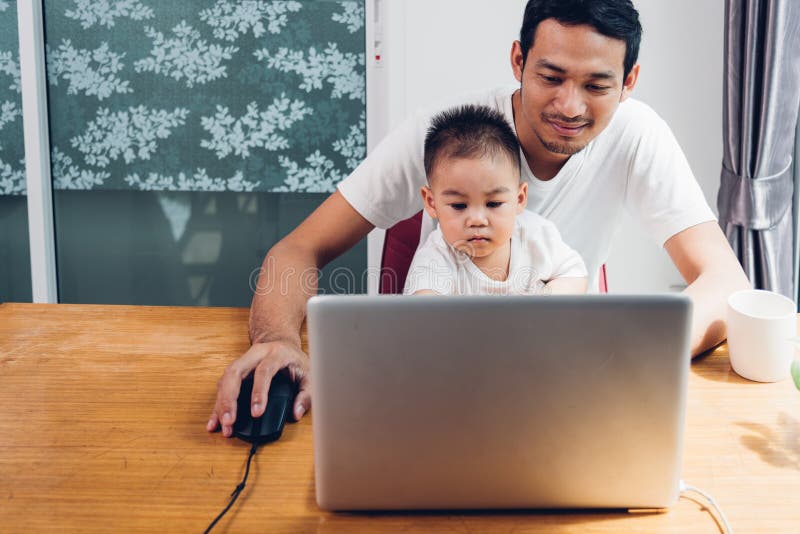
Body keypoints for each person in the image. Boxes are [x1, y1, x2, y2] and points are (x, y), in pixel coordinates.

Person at [207, 0, 750, 438]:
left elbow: (725, 283)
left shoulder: (638, 135)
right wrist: (278, 338)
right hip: (437, 383)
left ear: (629, 81)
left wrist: (632, 351)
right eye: (551, 76)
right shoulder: (446, 136)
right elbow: (298, 250)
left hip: (557, 391)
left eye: (597, 85)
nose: (569, 106)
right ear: (518, 61)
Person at [404, 104, 587, 296]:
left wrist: (545, 298)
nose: (477, 220)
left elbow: (574, 274)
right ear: (432, 203)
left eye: (493, 204)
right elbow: (425, 310)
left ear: (520, 198)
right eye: (459, 206)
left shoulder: (537, 235)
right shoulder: (436, 258)